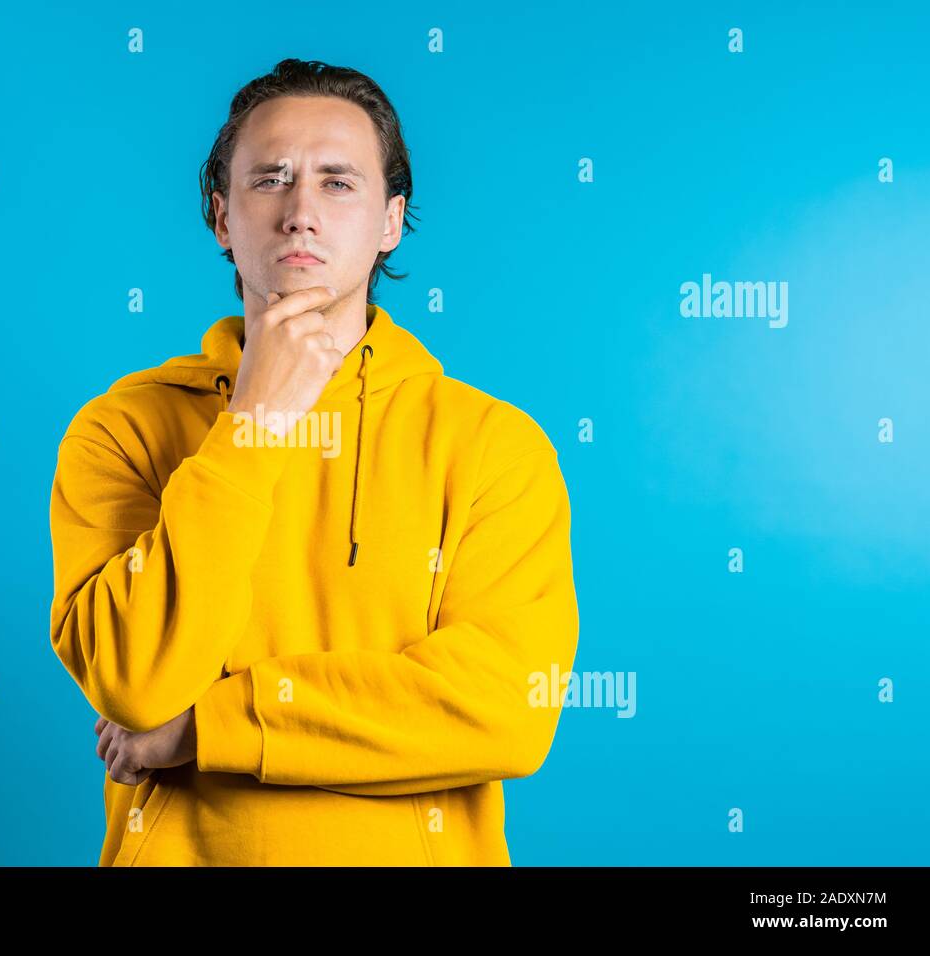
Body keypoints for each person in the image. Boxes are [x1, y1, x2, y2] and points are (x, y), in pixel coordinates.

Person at [48, 58, 580, 866]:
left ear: (390, 221)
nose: (301, 212)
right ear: (223, 217)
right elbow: (132, 679)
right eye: (271, 179)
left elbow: (503, 710)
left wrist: (205, 729)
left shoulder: (493, 445)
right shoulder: (122, 428)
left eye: (338, 183)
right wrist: (253, 422)